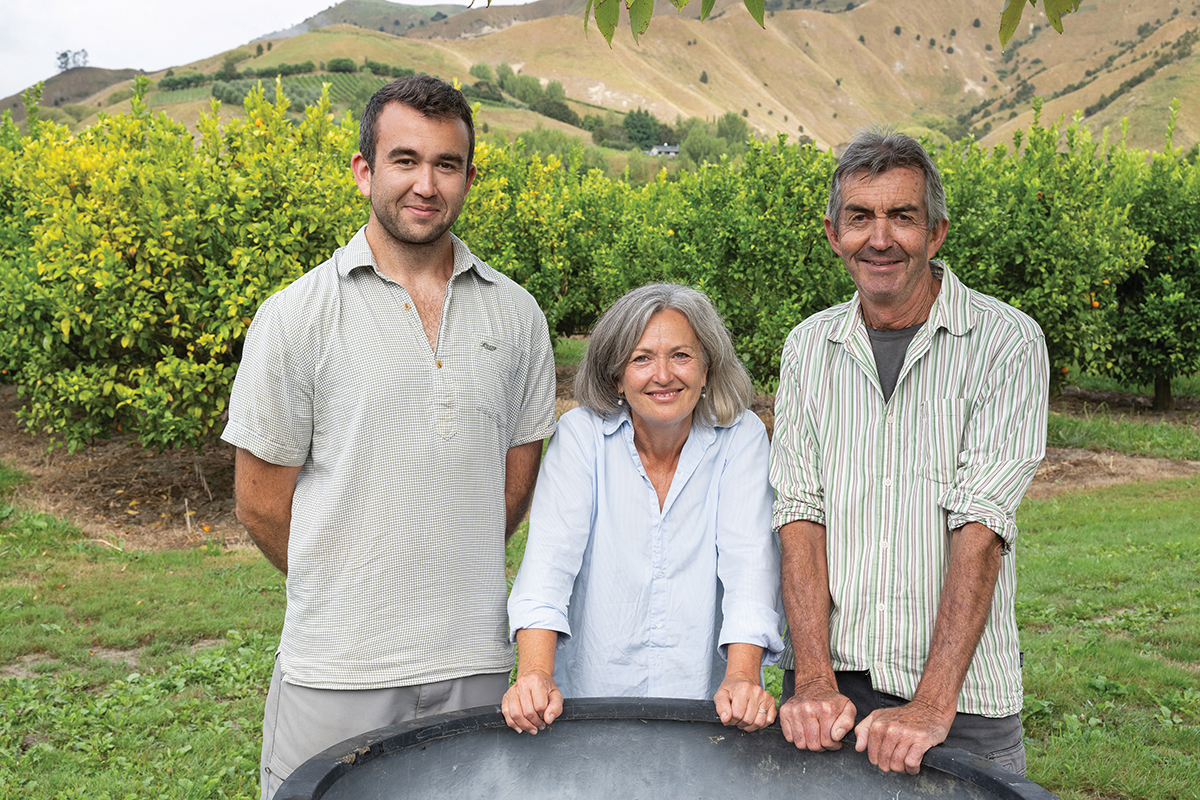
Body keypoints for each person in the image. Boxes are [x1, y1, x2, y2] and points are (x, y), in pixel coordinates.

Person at [221, 75, 557, 799]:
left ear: (469, 176)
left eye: (446, 164)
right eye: (405, 160)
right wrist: (347, 585)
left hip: (472, 665)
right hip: (337, 670)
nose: (425, 184)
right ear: (364, 170)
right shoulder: (295, 317)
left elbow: (515, 477)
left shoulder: (518, 317)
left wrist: (445, 566)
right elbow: (260, 504)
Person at [770, 129, 1048, 776]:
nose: (880, 238)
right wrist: (811, 679)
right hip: (833, 691)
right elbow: (799, 517)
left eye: (903, 216)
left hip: (964, 696)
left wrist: (931, 704)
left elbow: (982, 525)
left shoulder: (1006, 343)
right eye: (860, 217)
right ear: (833, 232)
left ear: (937, 232)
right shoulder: (809, 349)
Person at [502, 283, 785, 735]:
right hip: (588, 705)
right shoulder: (580, 436)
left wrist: (742, 677)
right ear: (616, 376)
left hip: (700, 708)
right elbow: (547, 565)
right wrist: (535, 673)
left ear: (707, 367)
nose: (663, 375)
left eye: (681, 356)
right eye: (641, 358)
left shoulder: (742, 436)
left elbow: (750, 563)